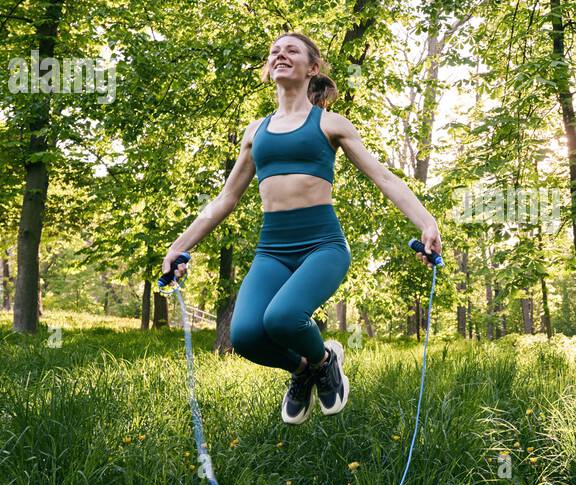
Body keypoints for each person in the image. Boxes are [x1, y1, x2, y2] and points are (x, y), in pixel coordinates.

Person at [161, 31, 442, 424]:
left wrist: (427, 221)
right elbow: (225, 199)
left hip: (322, 246)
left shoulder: (330, 124)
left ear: (312, 68)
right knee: (245, 337)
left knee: (282, 318)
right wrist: (178, 246)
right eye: (274, 51)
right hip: (272, 250)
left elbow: (384, 177)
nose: (280, 54)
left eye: (291, 50)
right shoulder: (255, 132)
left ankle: (326, 359)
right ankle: (307, 368)